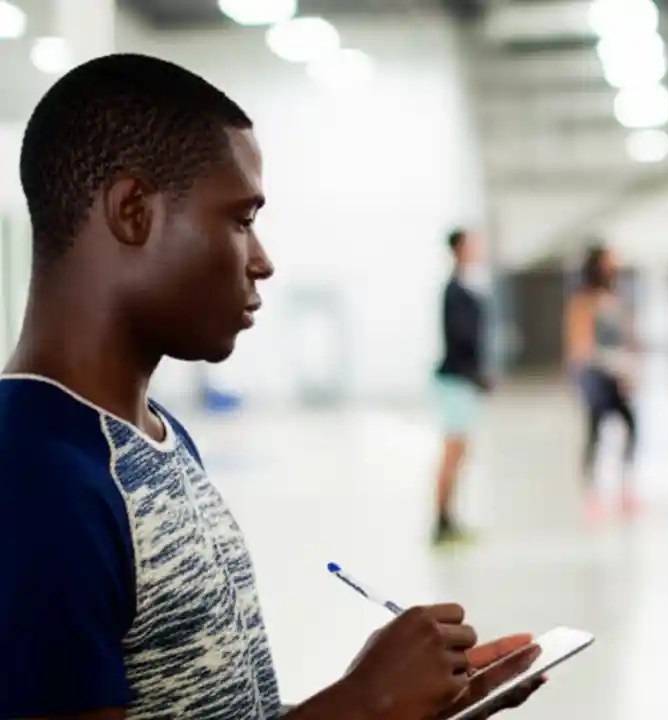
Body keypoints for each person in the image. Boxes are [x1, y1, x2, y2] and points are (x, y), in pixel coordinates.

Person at [0, 54, 541, 719]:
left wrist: (395, 709)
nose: (262, 261)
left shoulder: (155, 437)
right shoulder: (35, 479)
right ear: (133, 212)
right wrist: (361, 703)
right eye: (240, 219)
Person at [564, 244, 638, 522]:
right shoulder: (583, 300)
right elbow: (579, 342)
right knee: (594, 433)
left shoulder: (617, 299)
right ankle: (592, 496)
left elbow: (627, 337)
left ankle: (625, 488)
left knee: (631, 426)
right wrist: (578, 375)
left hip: (618, 372)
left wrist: (629, 369)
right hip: (595, 373)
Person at [433, 228, 491, 548]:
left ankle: (450, 518)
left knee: (460, 452)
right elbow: (460, 339)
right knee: (451, 452)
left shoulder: (465, 287)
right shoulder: (454, 290)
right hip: (455, 380)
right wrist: (475, 374)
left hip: (464, 381)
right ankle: (441, 521)